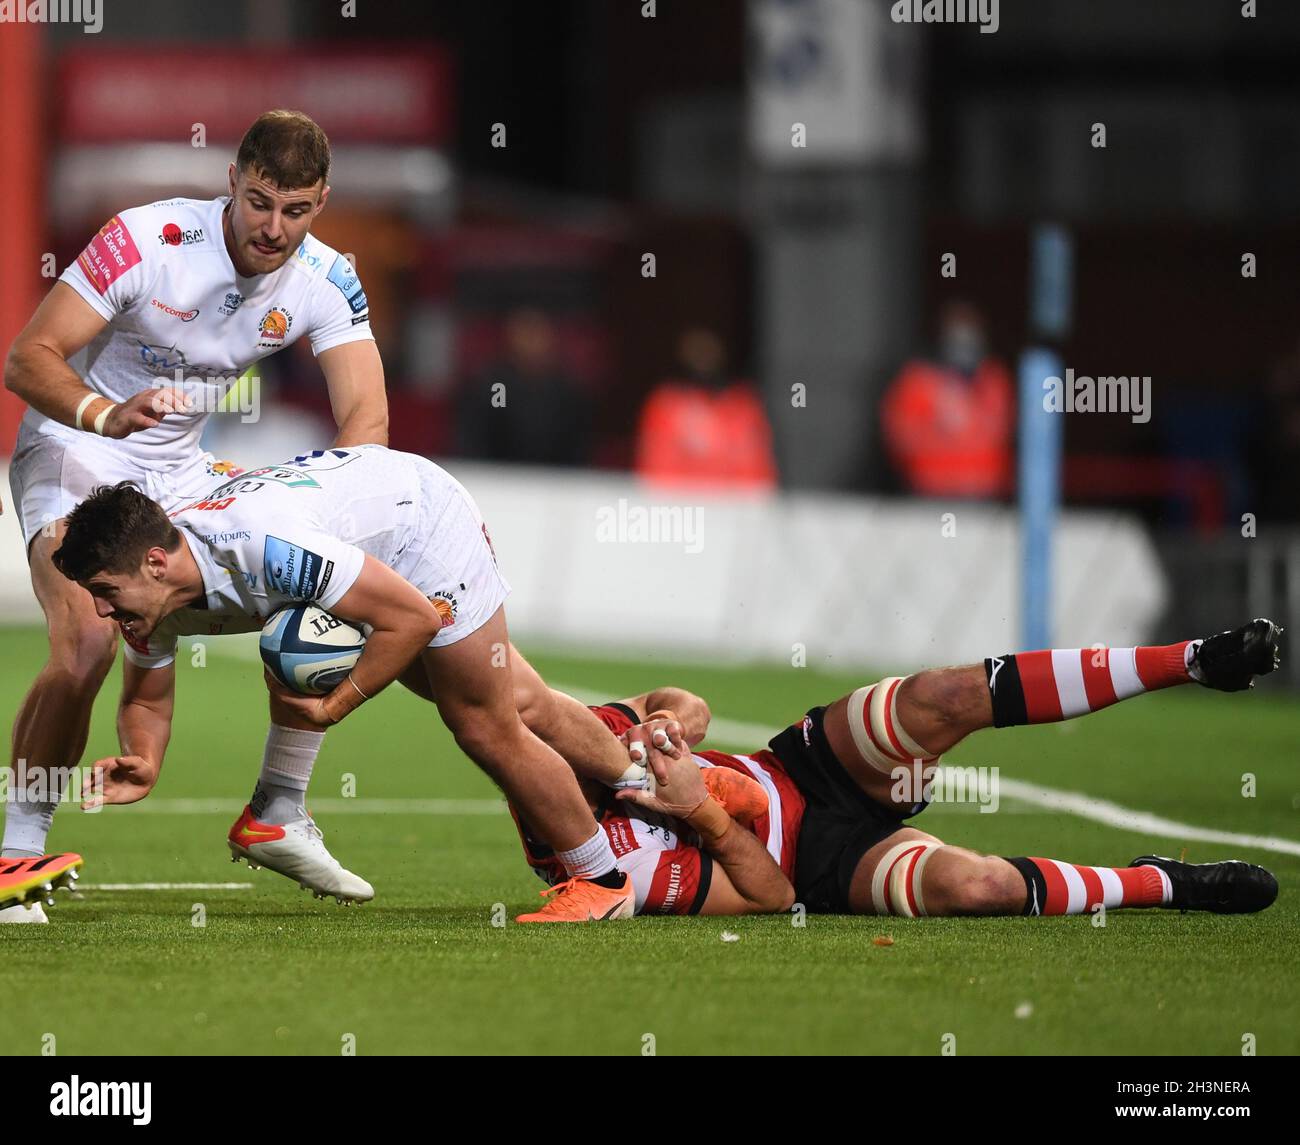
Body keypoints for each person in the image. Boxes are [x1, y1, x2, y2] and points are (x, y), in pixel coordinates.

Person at [1, 109, 389, 923]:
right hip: (80, 447)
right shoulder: (144, 239)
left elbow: (367, 426)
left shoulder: (327, 277)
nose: (274, 228)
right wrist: (108, 414)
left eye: (297, 210)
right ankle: (13, 850)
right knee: (87, 640)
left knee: (332, 585)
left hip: (179, 469)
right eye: (259, 202)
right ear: (231, 183)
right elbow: (26, 359)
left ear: (322, 201)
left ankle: (278, 806)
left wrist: (343, 527)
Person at [12, 444, 656, 924]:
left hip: (422, 527)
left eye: (103, 592)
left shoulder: (263, 547)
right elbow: (146, 697)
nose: (99, 612)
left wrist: (334, 706)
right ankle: (642, 778)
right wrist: (146, 759)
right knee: (520, 698)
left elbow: (411, 617)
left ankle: (601, 882)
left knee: (482, 719)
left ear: (155, 563)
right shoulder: (150, 601)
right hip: (361, 544)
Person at [519, 620, 1283, 918]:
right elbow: (771, 893)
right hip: (820, 863)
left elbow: (679, 697)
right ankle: (1165, 882)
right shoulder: (607, 869)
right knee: (978, 886)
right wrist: (700, 810)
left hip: (801, 767)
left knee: (942, 695)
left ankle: (1188, 661)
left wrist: (671, 722)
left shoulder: (592, 743)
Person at [880, 301, 1014, 498]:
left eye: (970, 338)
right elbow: (899, 436)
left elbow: (1000, 431)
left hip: (981, 493)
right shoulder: (917, 382)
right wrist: (940, 432)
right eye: (956, 339)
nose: (964, 347)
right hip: (929, 491)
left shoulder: (993, 381)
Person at [635, 326, 777, 491]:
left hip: (734, 508)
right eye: (696, 353)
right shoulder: (666, 404)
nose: (703, 359)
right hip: (681, 506)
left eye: (708, 352)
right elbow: (657, 468)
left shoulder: (742, 406)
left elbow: (756, 471)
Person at [454, 308, 591, 467]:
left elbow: (577, 444)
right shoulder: (498, 386)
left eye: (537, 334)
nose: (531, 342)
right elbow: (485, 432)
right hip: (499, 475)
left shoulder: (566, 390)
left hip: (556, 479)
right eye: (524, 334)